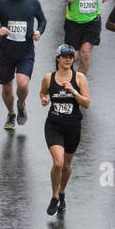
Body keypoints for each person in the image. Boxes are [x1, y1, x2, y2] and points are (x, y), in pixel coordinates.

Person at [0, 0, 47, 133]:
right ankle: (11, 114)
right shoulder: (1, 4)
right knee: (6, 88)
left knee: (22, 83)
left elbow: (42, 20)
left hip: (25, 51)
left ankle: (21, 104)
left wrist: (39, 31)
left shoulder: (33, 3)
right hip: (6, 53)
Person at [40, 44, 90, 215]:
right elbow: (42, 92)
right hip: (54, 125)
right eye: (65, 56)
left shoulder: (79, 78)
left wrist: (74, 91)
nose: (69, 59)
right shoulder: (49, 77)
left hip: (73, 127)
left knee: (67, 165)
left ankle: (62, 191)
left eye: (71, 57)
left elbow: (87, 103)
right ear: (58, 59)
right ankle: (54, 196)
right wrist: (44, 99)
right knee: (58, 163)